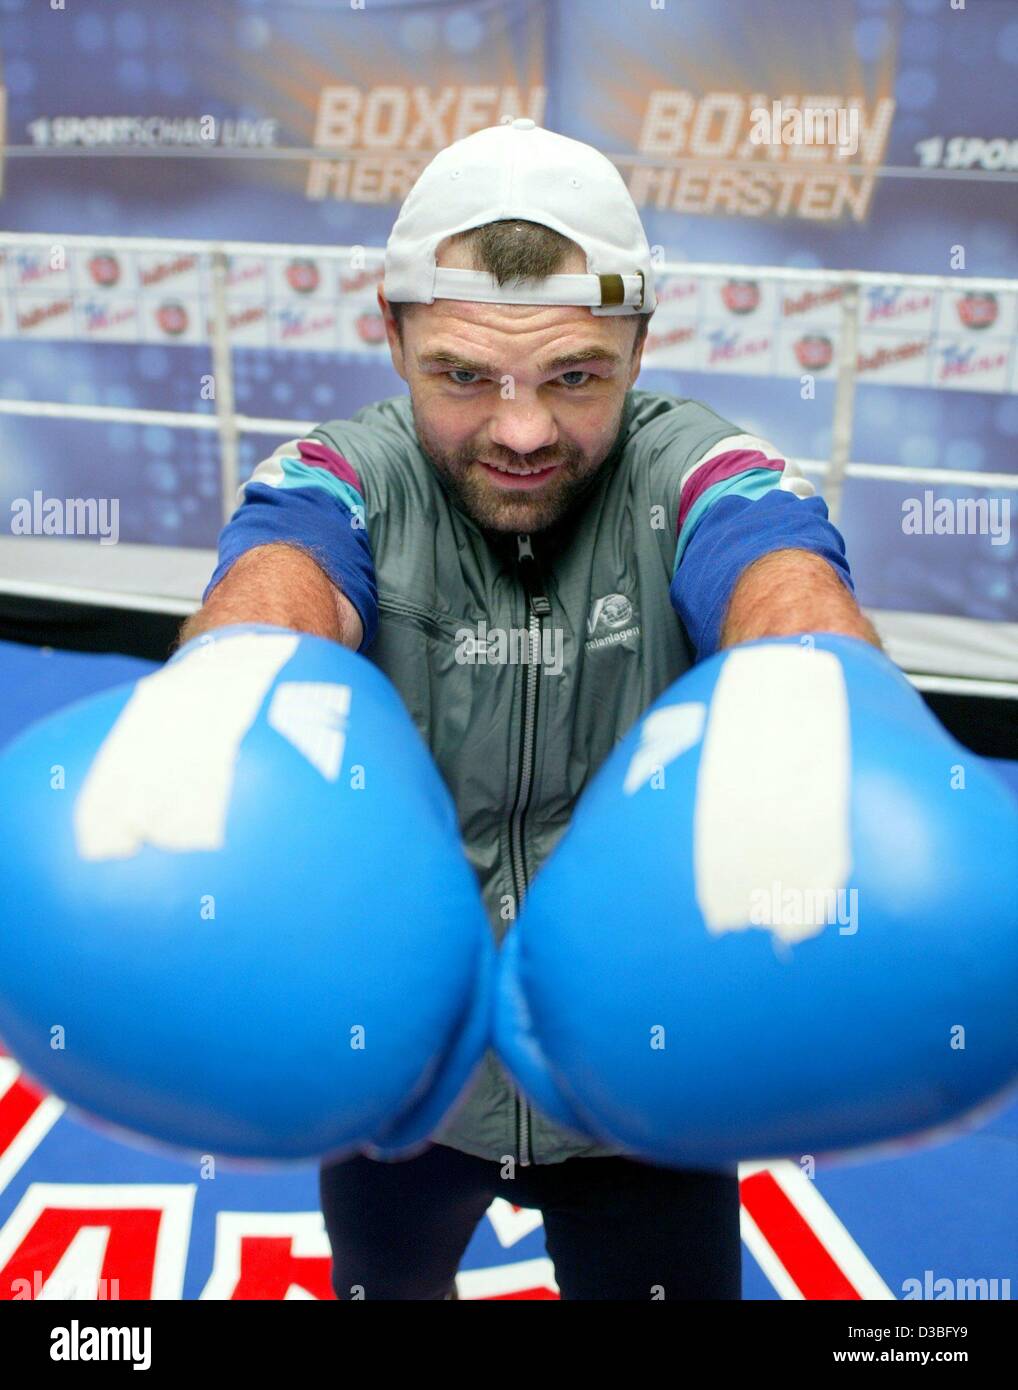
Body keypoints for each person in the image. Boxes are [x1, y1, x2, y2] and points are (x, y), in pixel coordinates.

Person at [178, 119, 879, 1300]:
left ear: (639, 345)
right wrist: (217, 707)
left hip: (639, 1084)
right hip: (403, 1070)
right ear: (391, 332)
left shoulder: (690, 468)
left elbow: (774, 558)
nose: (519, 429)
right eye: (463, 374)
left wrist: (827, 707)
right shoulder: (343, 472)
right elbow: (281, 571)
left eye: (574, 375)